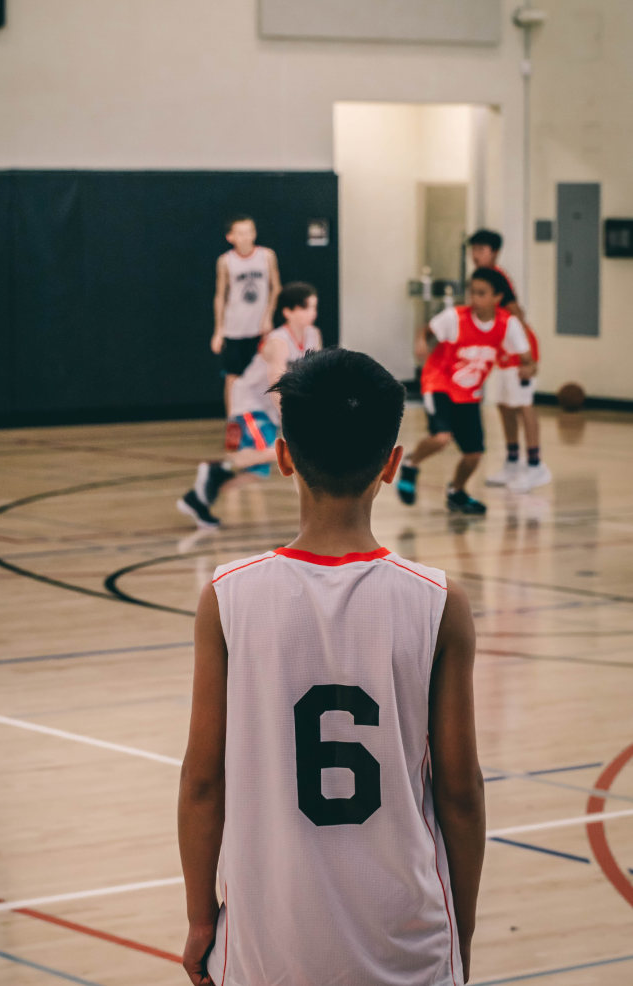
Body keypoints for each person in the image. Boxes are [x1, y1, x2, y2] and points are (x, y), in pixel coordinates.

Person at [178, 347, 485, 986]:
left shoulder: (226, 596)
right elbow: (460, 791)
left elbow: (203, 782)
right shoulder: (439, 602)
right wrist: (466, 928)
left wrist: (201, 920)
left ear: (285, 456)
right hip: (409, 948)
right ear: (392, 464)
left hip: (269, 948)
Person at [178, 283, 321, 528]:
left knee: (256, 472)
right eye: (306, 308)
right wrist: (292, 419)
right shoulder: (277, 342)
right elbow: (276, 383)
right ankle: (215, 469)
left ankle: (198, 499)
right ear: (288, 311)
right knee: (285, 451)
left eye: (314, 307)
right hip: (250, 404)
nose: (313, 313)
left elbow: (316, 375)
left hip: (266, 410)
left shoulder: (313, 335)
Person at [397, 268, 534, 515]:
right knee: (442, 437)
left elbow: (527, 358)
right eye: (472, 292)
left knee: (474, 455)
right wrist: (420, 343)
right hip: (439, 382)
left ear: (497, 297)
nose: (474, 298)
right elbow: (425, 331)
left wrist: (528, 368)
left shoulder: (507, 325)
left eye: (481, 293)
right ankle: (410, 464)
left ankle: (457, 492)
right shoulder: (455, 318)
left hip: (469, 393)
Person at [468, 229, 551, 492]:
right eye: (473, 249)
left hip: (519, 349)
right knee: (504, 405)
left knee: (523, 404)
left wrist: (527, 356)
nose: (475, 254)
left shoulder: (498, 280)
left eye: (481, 249)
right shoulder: (482, 279)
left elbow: (517, 313)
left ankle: (536, 465)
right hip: (502, 350)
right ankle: (513, 461)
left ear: (494, 253)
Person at [211, 216, 281, 414]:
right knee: (233, 376)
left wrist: (268, 316)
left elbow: (276, 288)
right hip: (234, 328)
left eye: (249, 231)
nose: (245, 236)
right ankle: (234, 422)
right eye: (240, 232)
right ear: (230, 237)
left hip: (259, 328)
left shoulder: (266, 256)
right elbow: (220, 296)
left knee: (265, 375)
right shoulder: (225, 261)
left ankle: (265, 419)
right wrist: (219, 331)